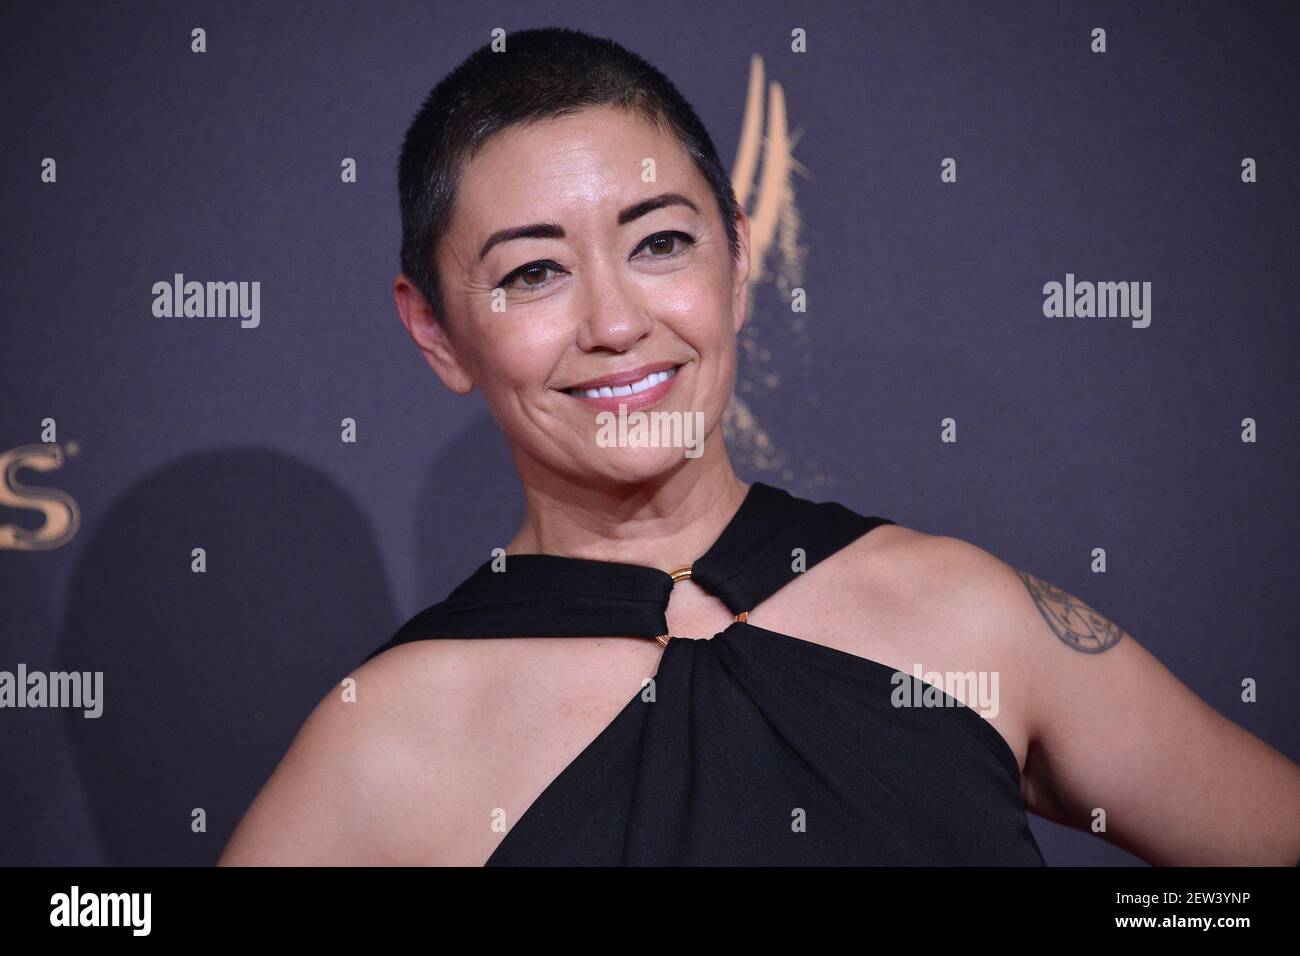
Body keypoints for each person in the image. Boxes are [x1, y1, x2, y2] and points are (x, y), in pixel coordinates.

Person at [218, 27, 1300, 866]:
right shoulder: (390, 736)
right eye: (532, 271)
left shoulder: (964, 609)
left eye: (660, 243)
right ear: (435, 330)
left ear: (736, 260)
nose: (614, 320)